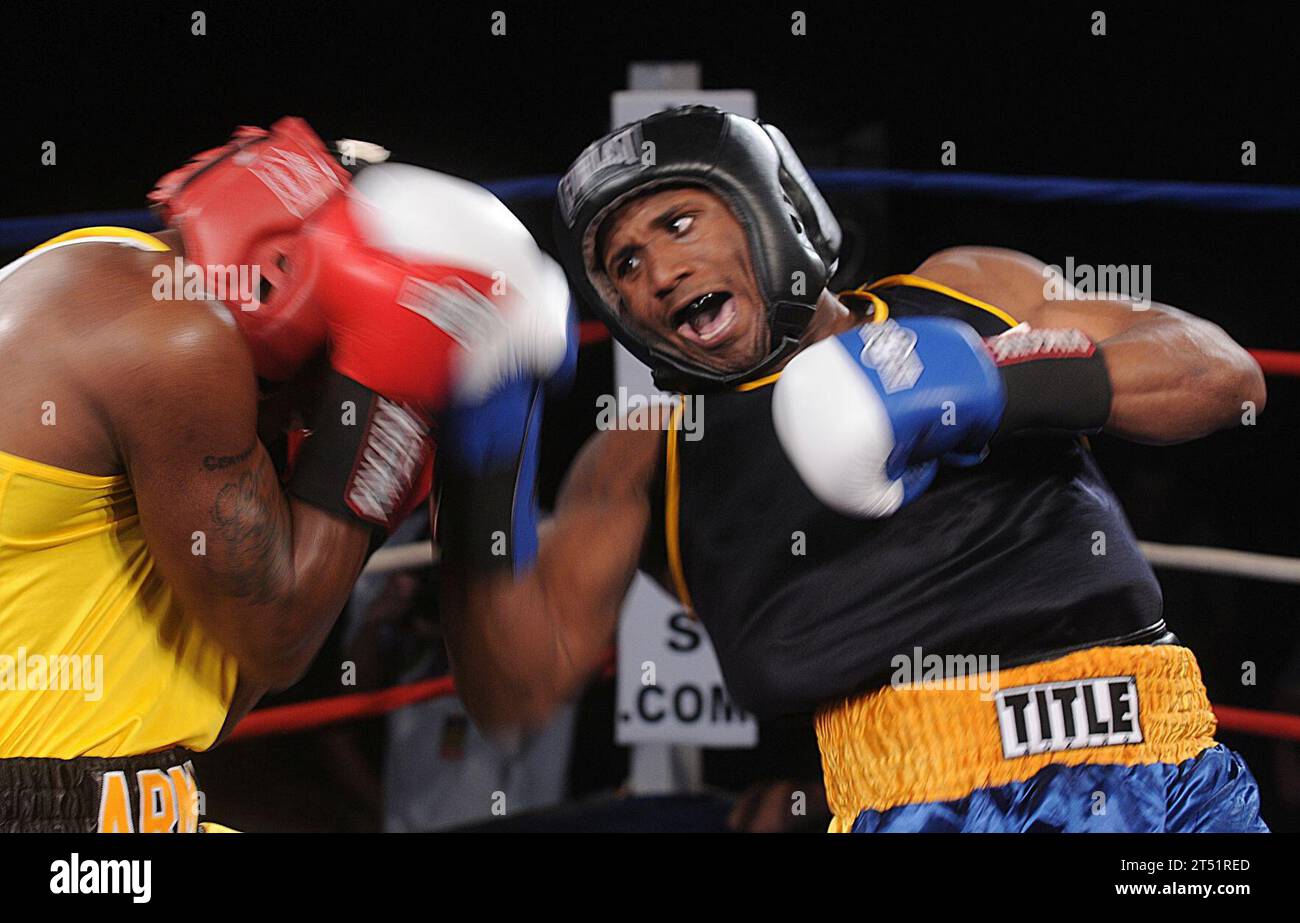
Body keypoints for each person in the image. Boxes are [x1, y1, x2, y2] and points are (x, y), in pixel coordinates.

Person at [437, 105, 1269, 832]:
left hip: (1169, 764)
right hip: (923, 806)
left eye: (679, 224)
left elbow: (1224, 375)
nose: (656, 273)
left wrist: (993, 382)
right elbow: (518, 690)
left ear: (773, 207)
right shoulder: (642, 453)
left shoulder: (961, 289)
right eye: (623, 263)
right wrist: (479, 455)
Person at [0, 117, 569, 832]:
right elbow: (280, 633)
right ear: (292, 274)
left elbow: (241, 671)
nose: (311, 408)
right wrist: (385, 409)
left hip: (115, 805)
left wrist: (377, 444)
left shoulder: (131, 305)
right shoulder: (168, 329)